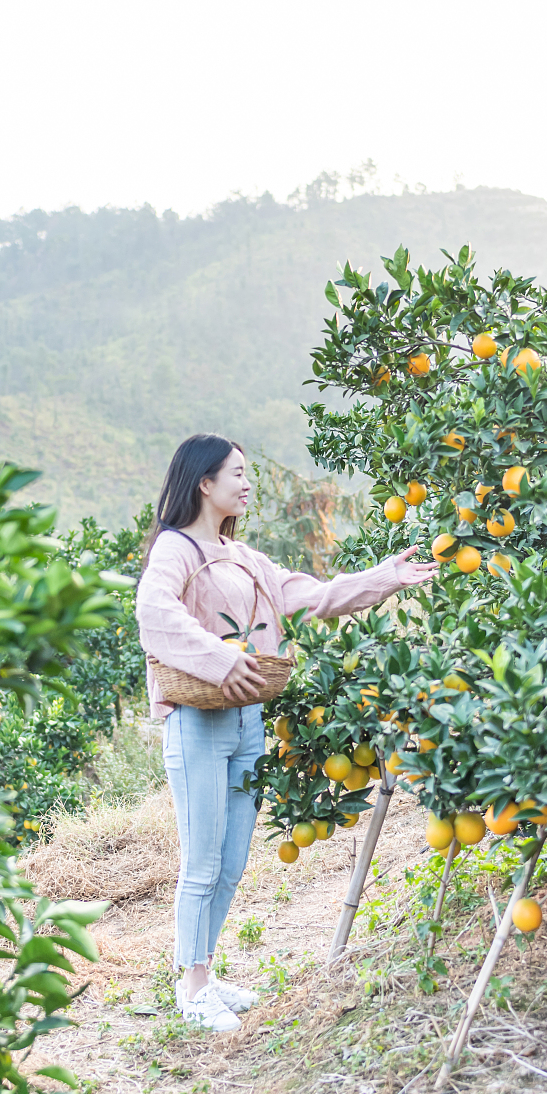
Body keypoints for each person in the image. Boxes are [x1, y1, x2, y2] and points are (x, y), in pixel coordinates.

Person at [135, 434, 437, 1032]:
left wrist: (386, 578)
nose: (247, 484)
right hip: (197, 719)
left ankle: (205, 971)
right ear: (205, 483)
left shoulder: (243, 558)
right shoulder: (175, 549)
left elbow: (312, 597)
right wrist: (221, 659)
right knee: (202, 860)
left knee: (231, 861)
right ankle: (190, 987)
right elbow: (154, 612)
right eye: (236, 474)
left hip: (246, 718)